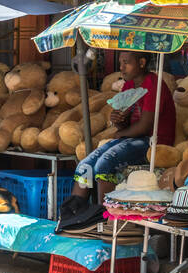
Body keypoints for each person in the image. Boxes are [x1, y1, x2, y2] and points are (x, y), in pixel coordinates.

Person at [67, 50, 176, 207]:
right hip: (132, 138)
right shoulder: (129, 85)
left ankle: (103, 214)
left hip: (154, 143)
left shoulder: (153, 84)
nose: (122, 68)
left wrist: (120, 133)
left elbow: (145, 127)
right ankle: (74, 211)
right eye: (120, 63)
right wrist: (117, 121)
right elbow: (126, 123)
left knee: (104, 164)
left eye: (126, 63)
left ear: (142, 63)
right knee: (85, 164)